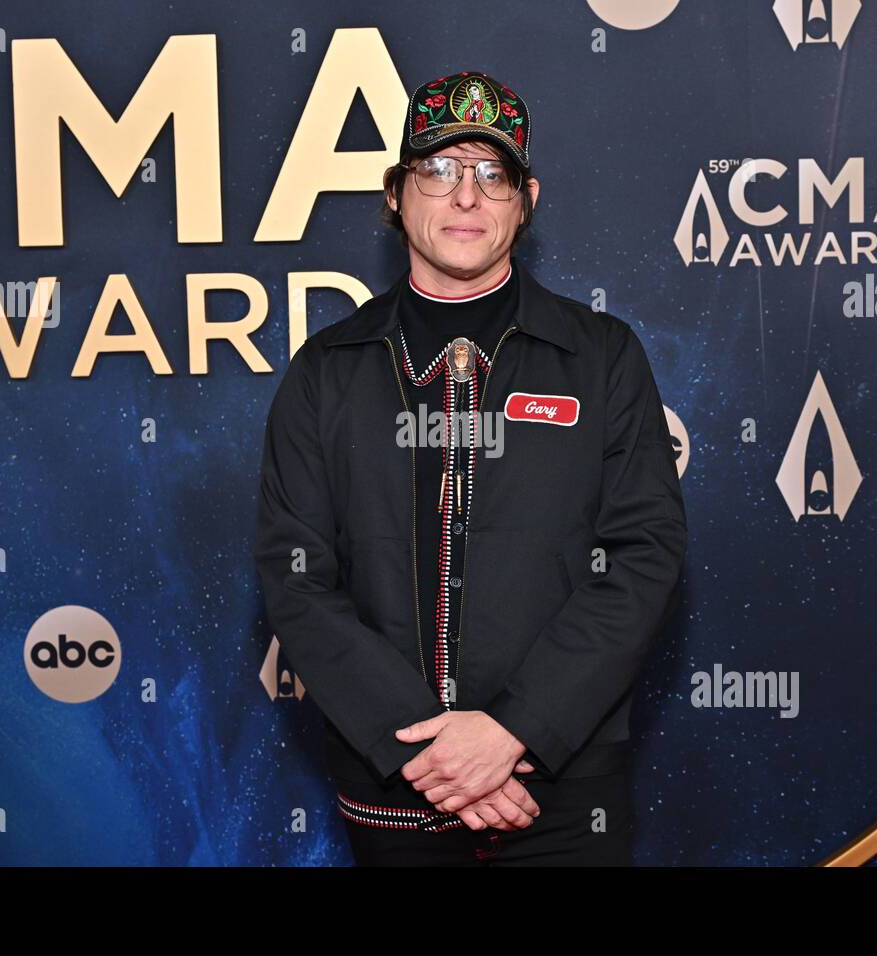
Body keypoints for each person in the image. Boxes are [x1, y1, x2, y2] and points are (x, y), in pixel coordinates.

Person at [253, 70, 687, 865]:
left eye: (494, 174)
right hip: (395, 791)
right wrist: (432, 752)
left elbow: (643, 558)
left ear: (527, 200)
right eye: (439, 169)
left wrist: (515, 729)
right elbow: (297, 578)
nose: (466, 196)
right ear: (394, 194)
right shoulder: (326, 371)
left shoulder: (601, 358)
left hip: (559, 795)